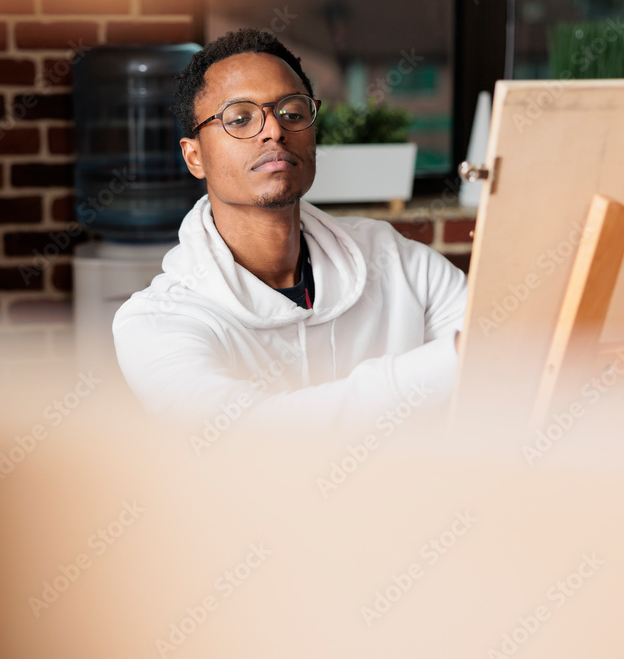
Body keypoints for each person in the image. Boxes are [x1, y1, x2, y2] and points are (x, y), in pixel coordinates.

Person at [113, 28, 467, 441]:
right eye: (240, 118)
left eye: (292, 113)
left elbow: (504, 367)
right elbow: (252, 442)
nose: (274, 132)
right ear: (195, 157)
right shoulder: (158, 323)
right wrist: (456, 359)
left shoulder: (397, 261)